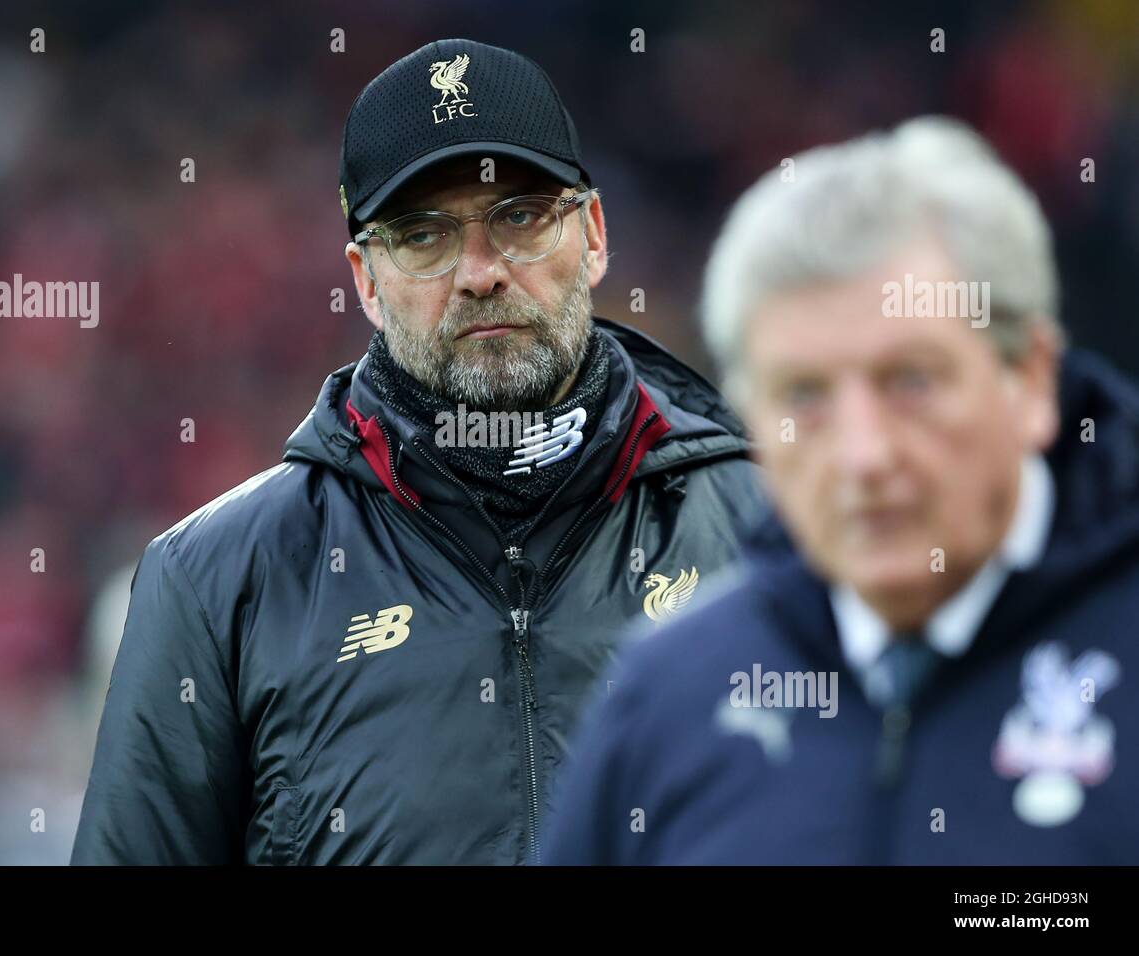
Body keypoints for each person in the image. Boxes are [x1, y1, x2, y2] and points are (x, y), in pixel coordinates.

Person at [71, 38, 763, 865]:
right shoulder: (216, 583)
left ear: (595, 233)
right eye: (423, 235)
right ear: (366, 279)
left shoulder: (773, 526)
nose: (479, 273)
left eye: (521, 216)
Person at [542, 116, 1139, 865]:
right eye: (805, 396)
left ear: (1030, 379)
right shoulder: (665, 697)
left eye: (912, 381)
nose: (863, 455)